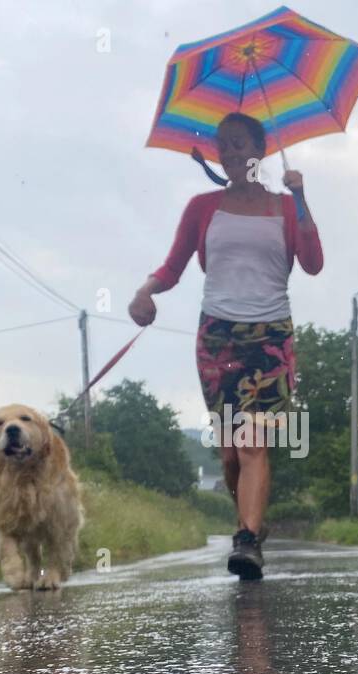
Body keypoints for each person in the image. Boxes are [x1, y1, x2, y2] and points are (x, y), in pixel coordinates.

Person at [130, 112, 323, 579]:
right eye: (224, 144)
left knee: (253, 441)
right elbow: (173, 266)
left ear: (261, 149)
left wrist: (301, 197)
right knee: (231, 453)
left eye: (240, 142)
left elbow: (313, 263)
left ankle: (247, 540)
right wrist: (145, 292)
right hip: (218, 337)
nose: (230, 152)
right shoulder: (203, 207)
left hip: (271, 337)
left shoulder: (284, 207)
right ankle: (249, 525)